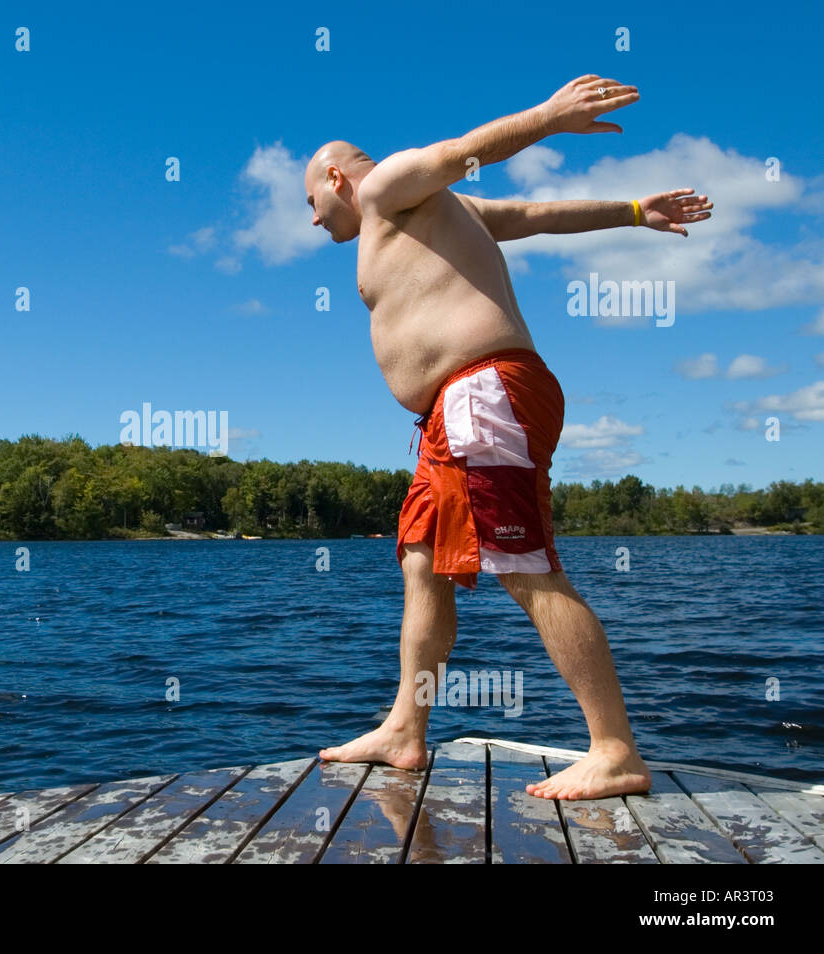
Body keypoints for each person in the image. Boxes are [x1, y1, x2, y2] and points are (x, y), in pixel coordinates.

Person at [306, 74, 713, 800]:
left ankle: (614, 748)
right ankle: (405, 728)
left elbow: (463, 149)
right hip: (447, 418)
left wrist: (549, 117)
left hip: (482, 395)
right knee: (423, 564)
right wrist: (628, 210)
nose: (313, 221)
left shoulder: (383, 188)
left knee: (524, 568)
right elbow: (532, 212)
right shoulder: (435, 214)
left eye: (311, 202)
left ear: (336, 177)